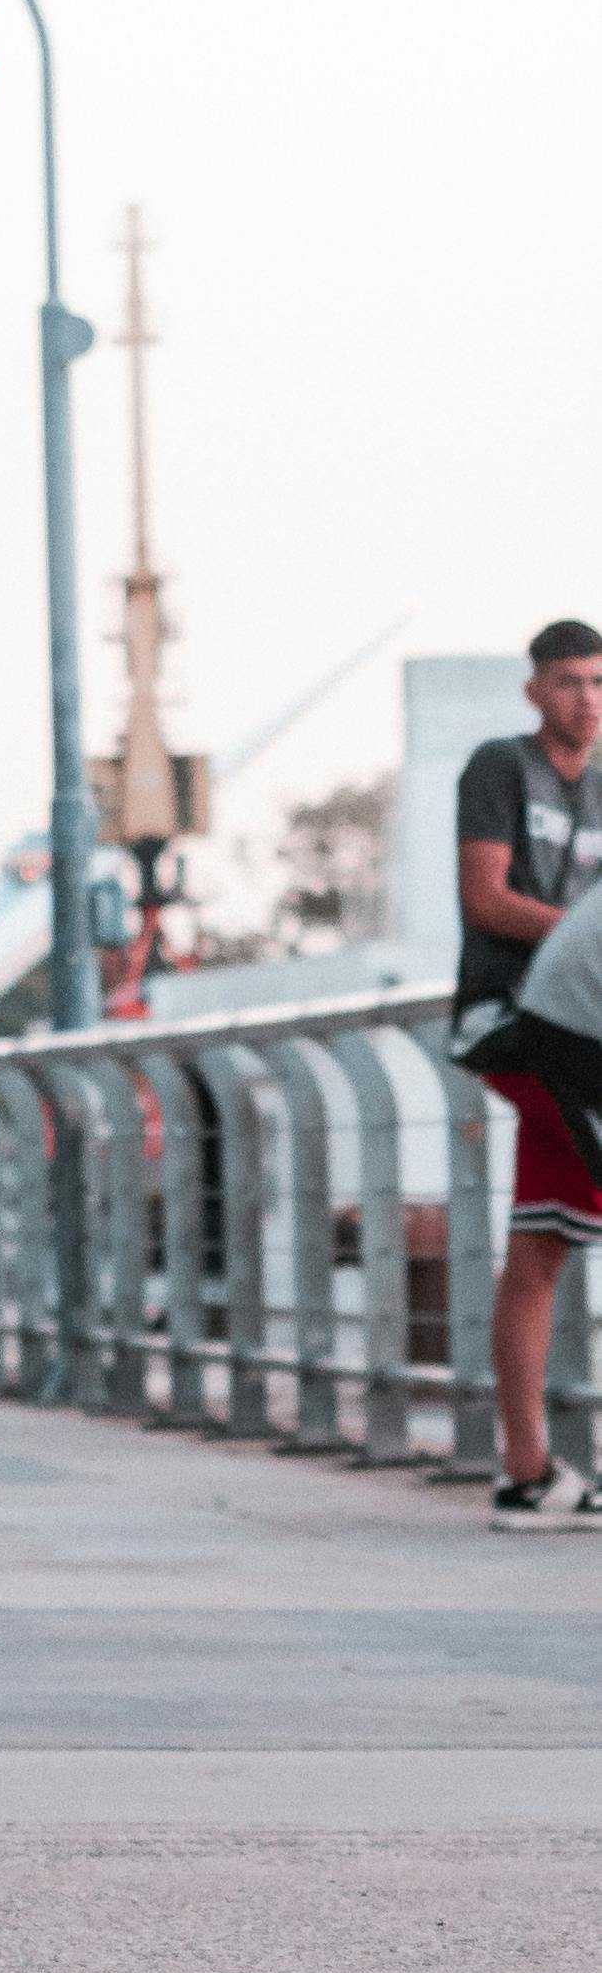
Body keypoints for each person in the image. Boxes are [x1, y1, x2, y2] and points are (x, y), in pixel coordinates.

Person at [453, 621, 602, 1518]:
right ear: (532, 691)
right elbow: (483, 897)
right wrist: (583, 940)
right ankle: (527, 1465)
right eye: (565, 681)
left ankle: (527, 1469)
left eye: (595, 681)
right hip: (515, 1023)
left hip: (582, 1036)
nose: (583, 697)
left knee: (539, 1247)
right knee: (542, 1248)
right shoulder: (500, 767)